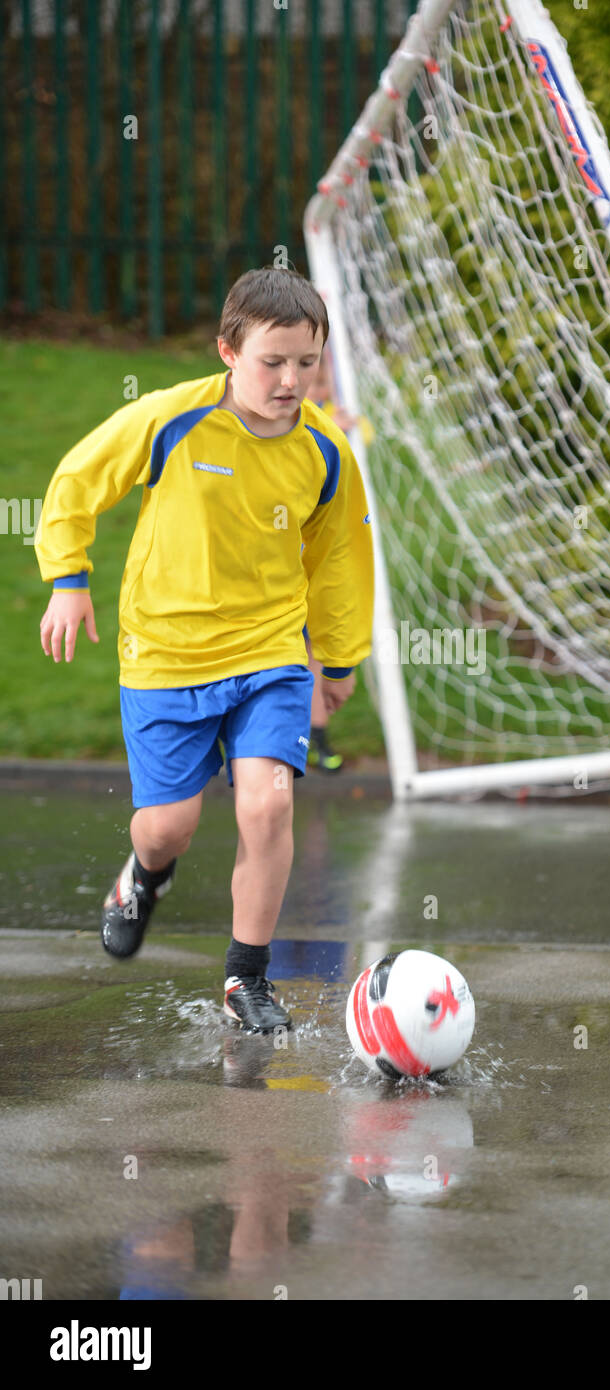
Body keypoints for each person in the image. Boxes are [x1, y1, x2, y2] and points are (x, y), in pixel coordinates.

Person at [35, 267, 374, 1033]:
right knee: (167, 827)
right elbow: (77, 480)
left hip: (269, 653)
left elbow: (342, 561)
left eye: (306, 362)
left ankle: (246, 977)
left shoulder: (326, 452)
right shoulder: (168, 418)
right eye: (272, 361)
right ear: (228, 351)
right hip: (166, 652)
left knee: (268, 804)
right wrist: (68, 578)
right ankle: (143, 877)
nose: (291, 380)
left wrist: (340, 658)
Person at [302, 345, 374, 774]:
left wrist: (344, 424)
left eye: (320, 362)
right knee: (298, 655)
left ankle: (316, 738)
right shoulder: (294, 413)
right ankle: (313, 738)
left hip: (329, 554)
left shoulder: (339, 412)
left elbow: (365, 436)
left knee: (318, 656)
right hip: (293, 552)